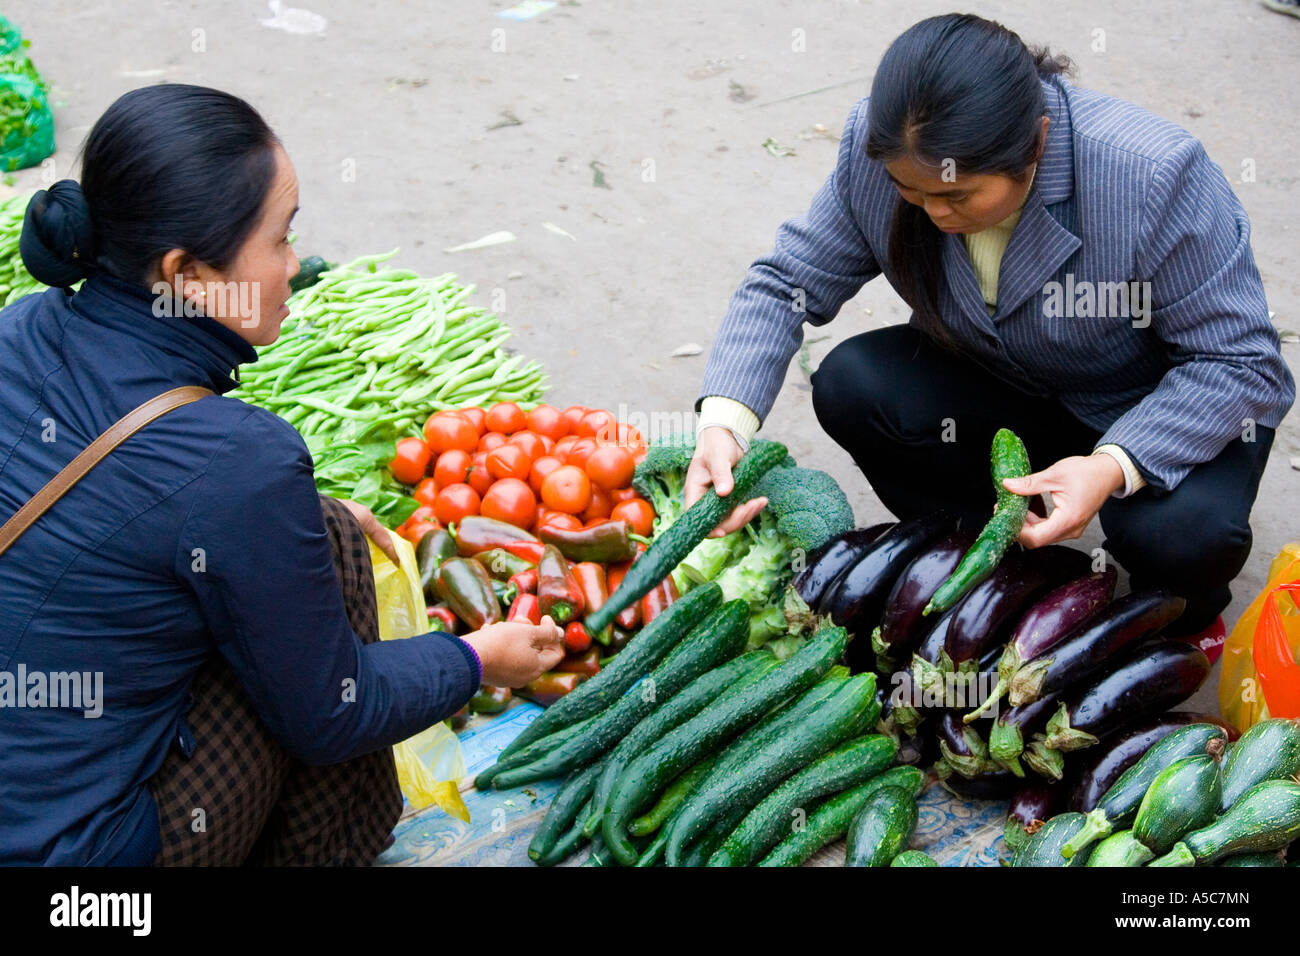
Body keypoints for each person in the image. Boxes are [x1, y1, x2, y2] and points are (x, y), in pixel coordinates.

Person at [0, 84, 564, 866]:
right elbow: (332, 713)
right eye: (280, 239)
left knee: (316, 533)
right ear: (189, 274)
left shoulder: (20, 325)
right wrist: (474, 660)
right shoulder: (237, 456)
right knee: (326, 604)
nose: (296, 267)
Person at [687, 14, 1294, 656]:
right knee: (853, 383)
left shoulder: (1151, 175)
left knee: (1185, 535)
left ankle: (1177, 620)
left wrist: (1112, 465)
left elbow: (1241, 362)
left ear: (1035, 143)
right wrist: (723, 426)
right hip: (1008, 382)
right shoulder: (884, 148)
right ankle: (998, 569)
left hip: (1154, 401)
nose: (935, 214)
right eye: (911, 193)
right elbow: (787, 281)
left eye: (960, 196)